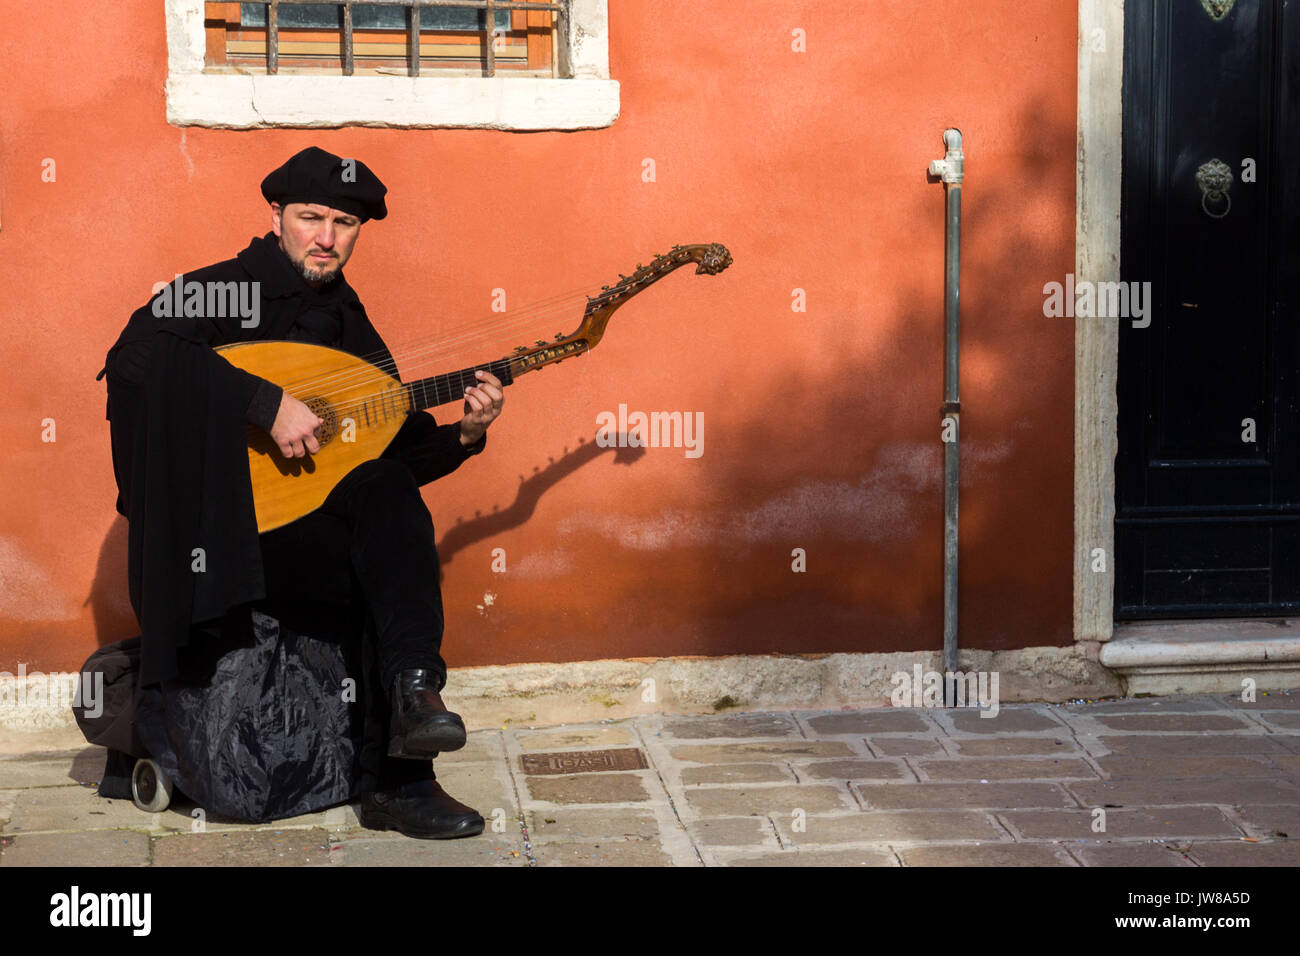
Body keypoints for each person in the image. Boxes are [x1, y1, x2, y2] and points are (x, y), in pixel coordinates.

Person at [99, 146, 503, 839]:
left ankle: (413, 713)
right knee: (381, 549)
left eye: (343, 222)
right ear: (277, 217)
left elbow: (387, 451)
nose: (326, 237)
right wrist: (260, 402)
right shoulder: (222, 289)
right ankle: (400, 771)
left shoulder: (350, 321)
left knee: (386, 508)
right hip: (220, 534)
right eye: (310, 217)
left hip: (303, 538)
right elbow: (132, 358)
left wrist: (463, 435)